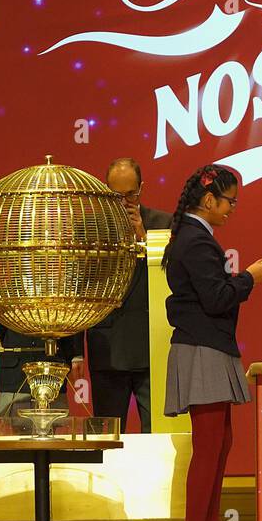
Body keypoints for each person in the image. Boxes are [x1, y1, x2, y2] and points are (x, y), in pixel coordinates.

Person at [162, 164, 262, 521]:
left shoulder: (194, 237)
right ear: (209, 200)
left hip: (208, 346)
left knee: (220, 440)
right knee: (210, 444)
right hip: (202, 348)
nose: (232, 209)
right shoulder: (196, 241)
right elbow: (216, 298)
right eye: (229, 201)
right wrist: (250, 278)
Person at [86, 157, 170, 433]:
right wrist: (74, 353)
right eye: (115, 195)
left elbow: (172, 279)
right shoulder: (91, 230)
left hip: (152, 346)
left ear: (141, 189)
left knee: (156, 433)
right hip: (107, 346)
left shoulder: (163, 224)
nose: (123, 203)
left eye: (130, 195)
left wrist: (143, 240)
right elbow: (81, 289)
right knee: (106, 437)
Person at [0, 319, 82, 418]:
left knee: (53, 425)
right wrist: (8, 357)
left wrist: (74, 355)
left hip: (53, 367)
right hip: (15, 373)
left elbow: (72, 321)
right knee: (10, 427)